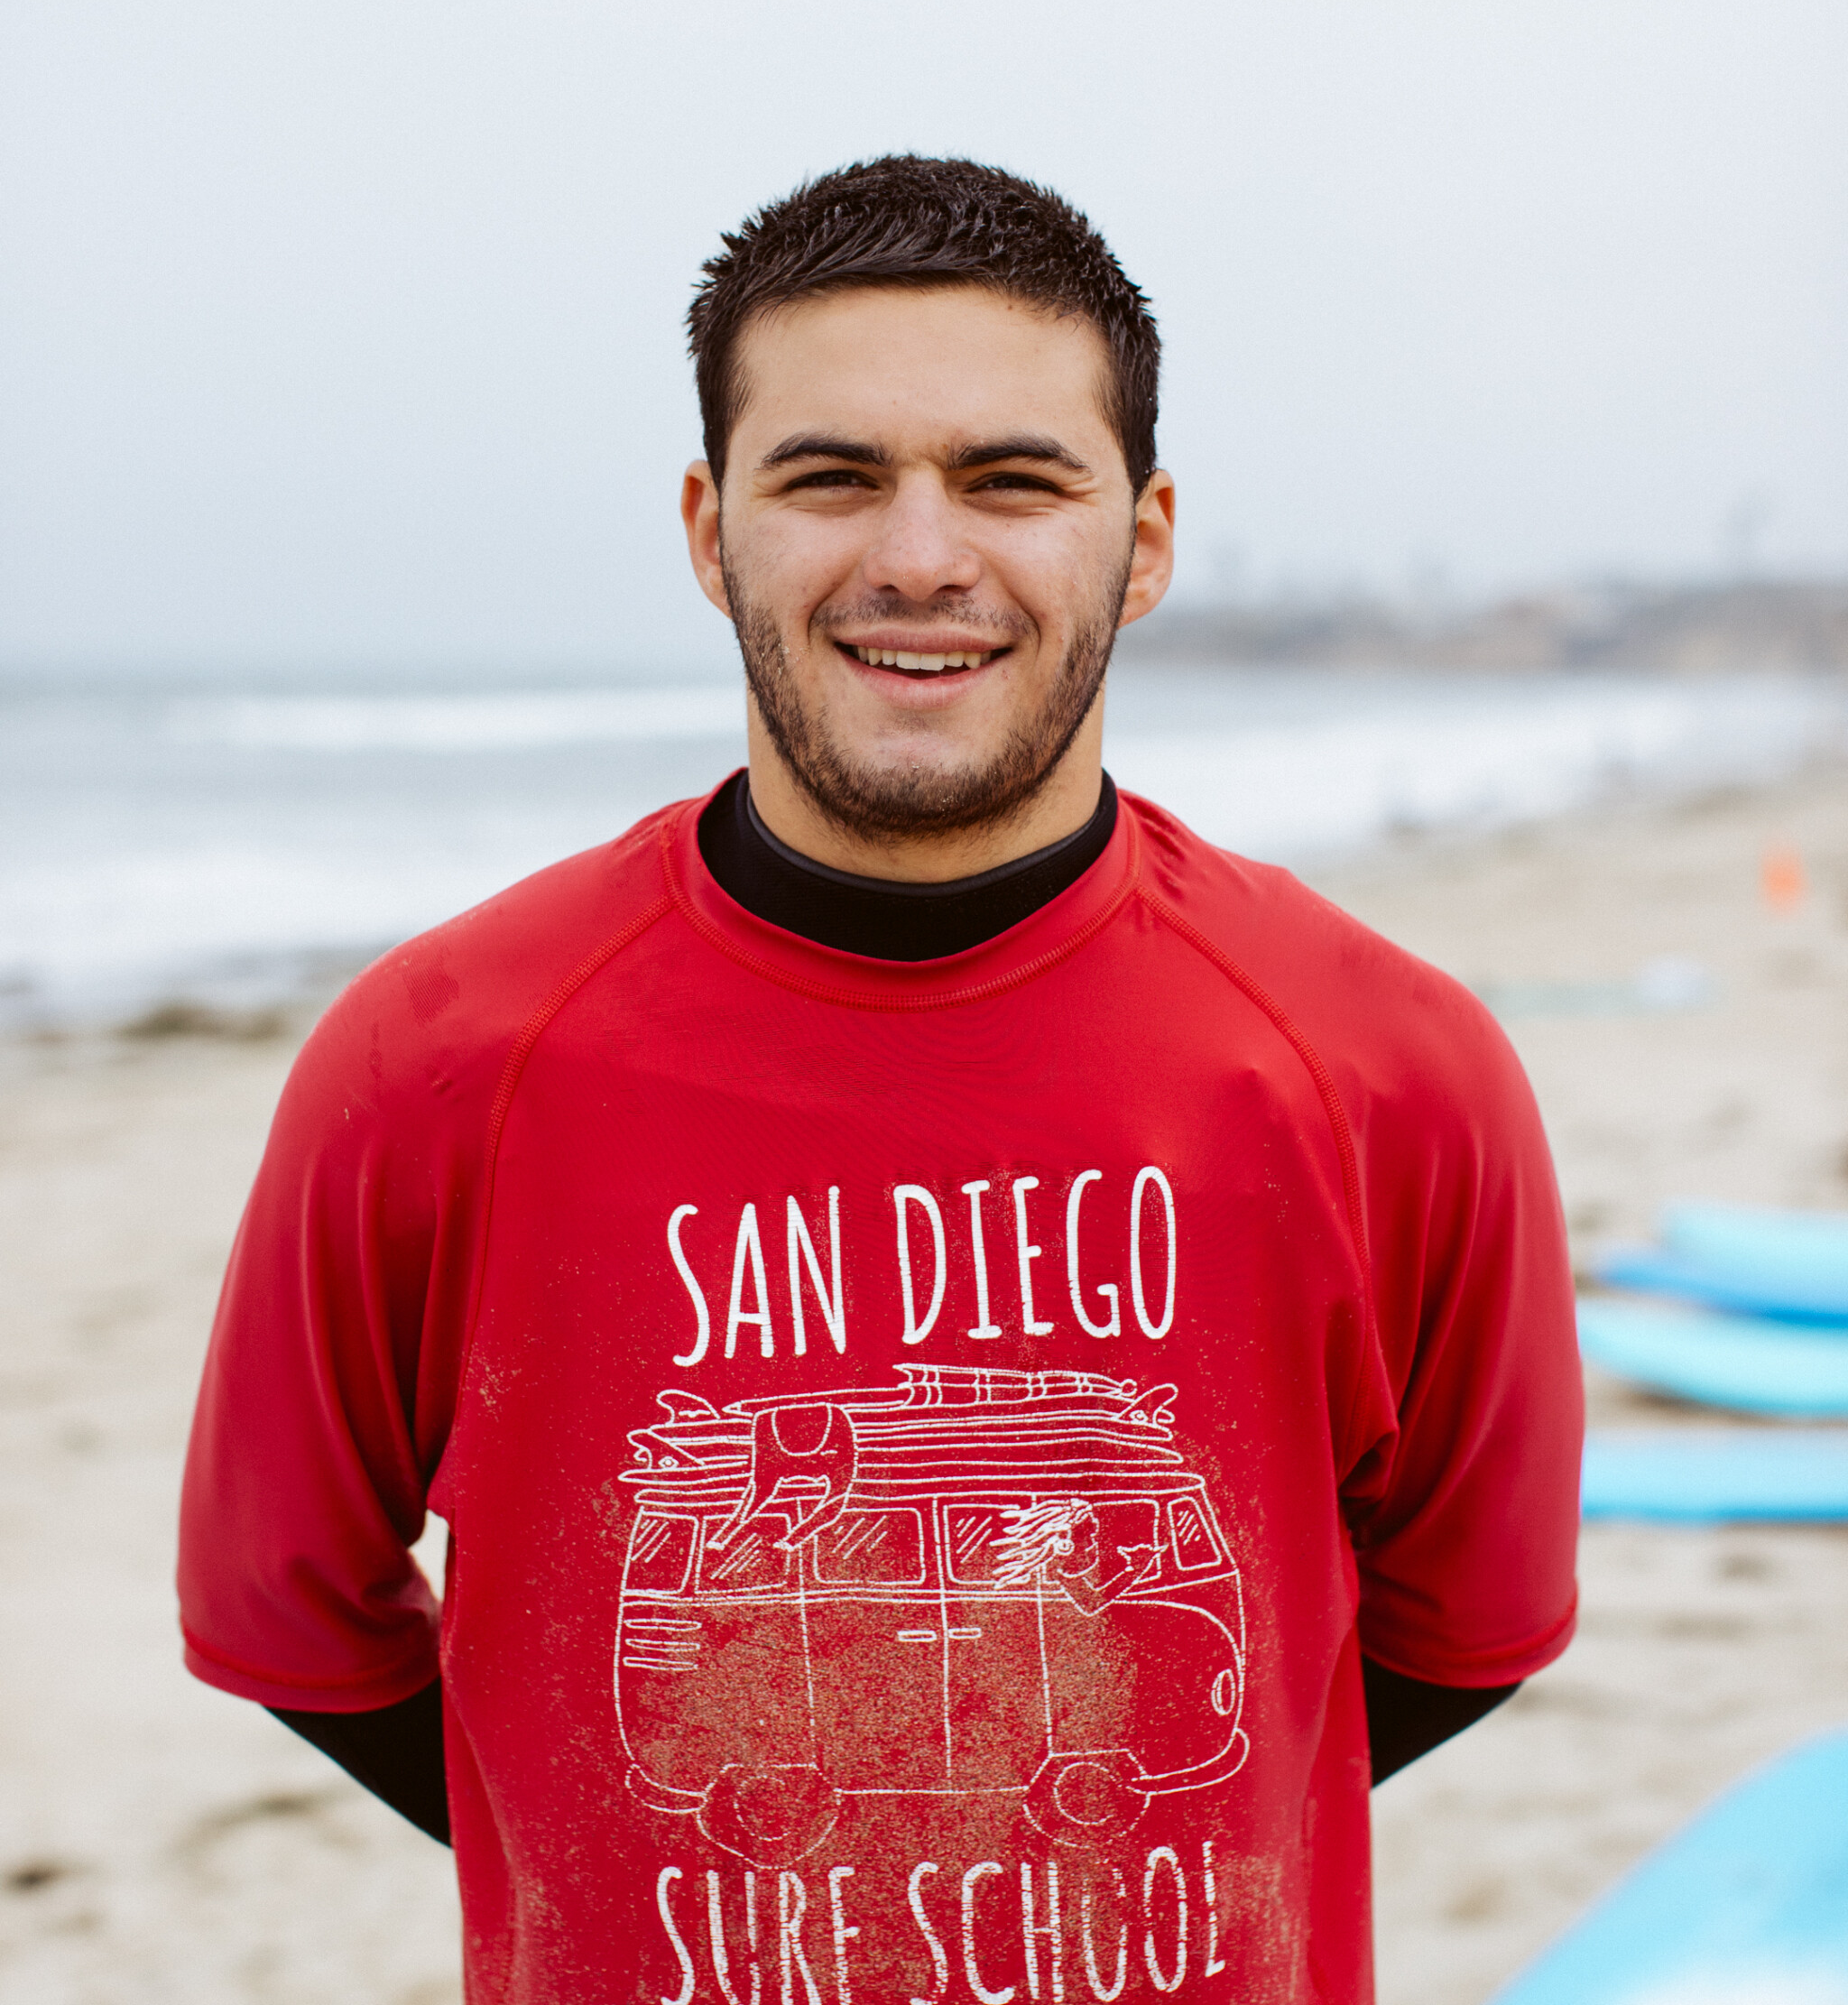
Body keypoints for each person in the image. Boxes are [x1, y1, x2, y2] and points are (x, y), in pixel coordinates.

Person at [179, 156, 1581, 2002]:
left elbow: (1465, 1619)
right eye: (832, 475)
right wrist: (610, 1842)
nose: (921, 555)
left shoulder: (1383, 1065)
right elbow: (285, 1605)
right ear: (709, 528)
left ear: (1143, 541)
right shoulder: (437, 1063)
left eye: (1012, 478)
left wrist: (1073, 1825)